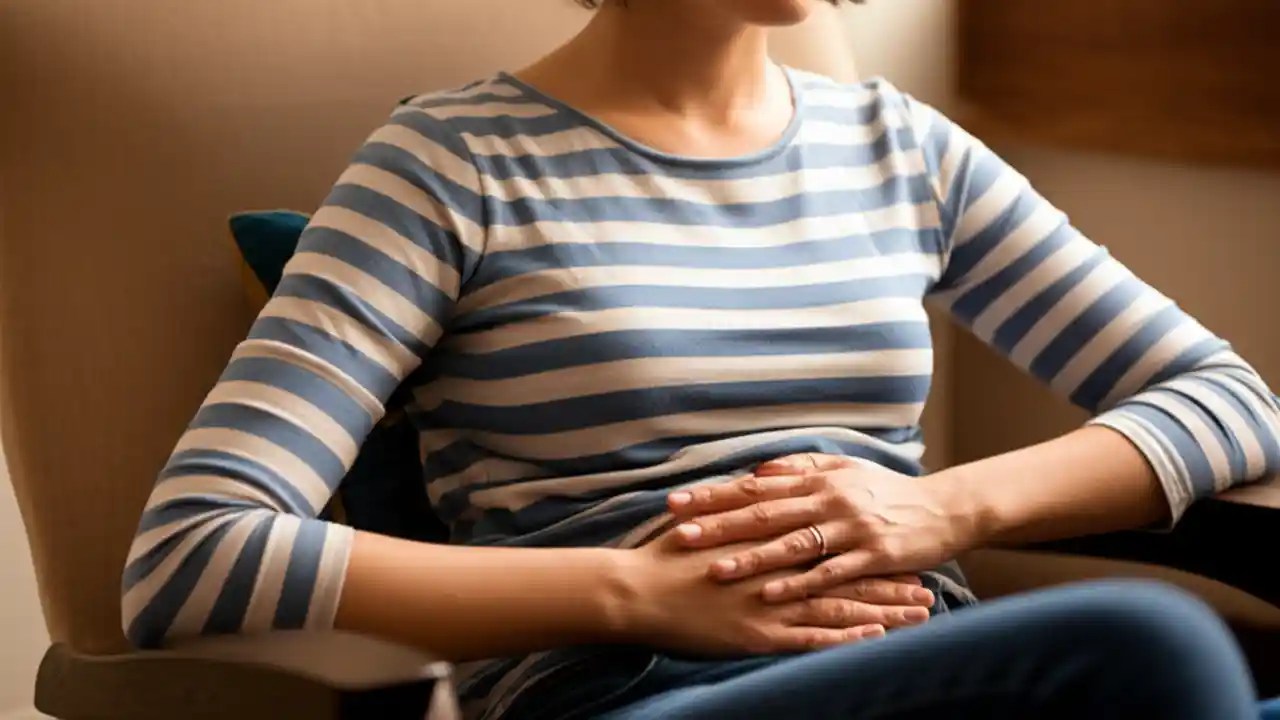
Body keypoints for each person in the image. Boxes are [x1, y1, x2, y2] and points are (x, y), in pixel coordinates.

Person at [121, 0, 1280, 717]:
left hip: (932, 667)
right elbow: (194, 557)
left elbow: (1226, 401)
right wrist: (636, 596)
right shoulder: (445, 165)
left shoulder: (900, 150)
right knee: (1155, 642)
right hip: (621, 694)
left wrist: (940, 512)